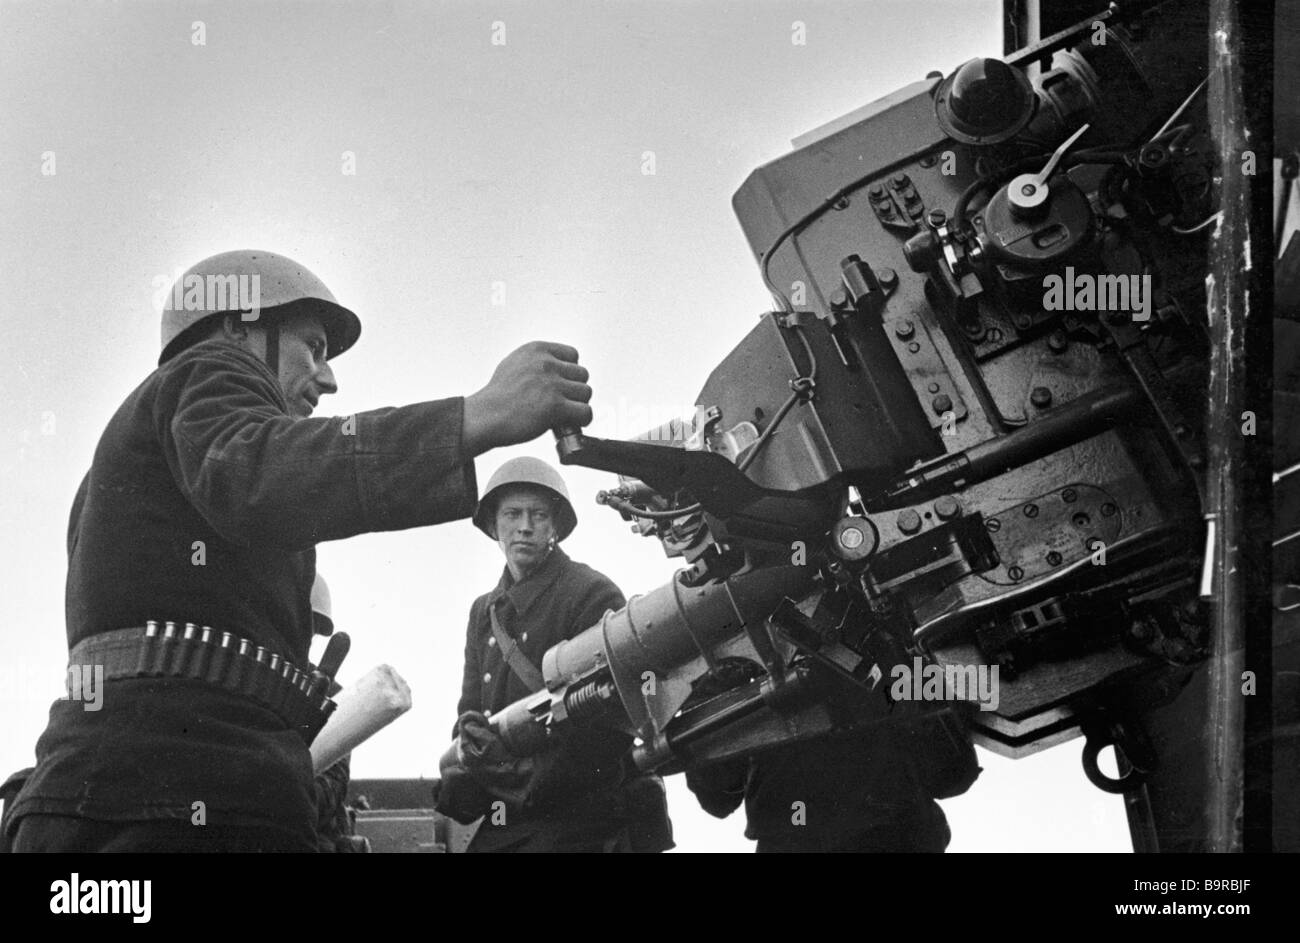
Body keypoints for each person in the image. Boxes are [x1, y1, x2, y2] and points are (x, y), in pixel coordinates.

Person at [5, 249, 594, 852]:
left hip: (131, 794)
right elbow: (257, 476)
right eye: (312, 347)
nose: (329, 377)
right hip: (166, 802)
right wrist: (478, 416)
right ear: (240, 325)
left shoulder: (149, 461)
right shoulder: (208, 370)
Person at [435, 457, 673, 853]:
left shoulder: (591, 594)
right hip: (511, 814)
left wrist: (515, 777)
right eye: (512, 514)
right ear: (494, 525)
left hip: (581, 815)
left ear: (556, 528)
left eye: (538, 515)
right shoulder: (485, 611)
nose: (524, 526)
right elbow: (471, 706)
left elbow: (608, 724)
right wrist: (471, 741)